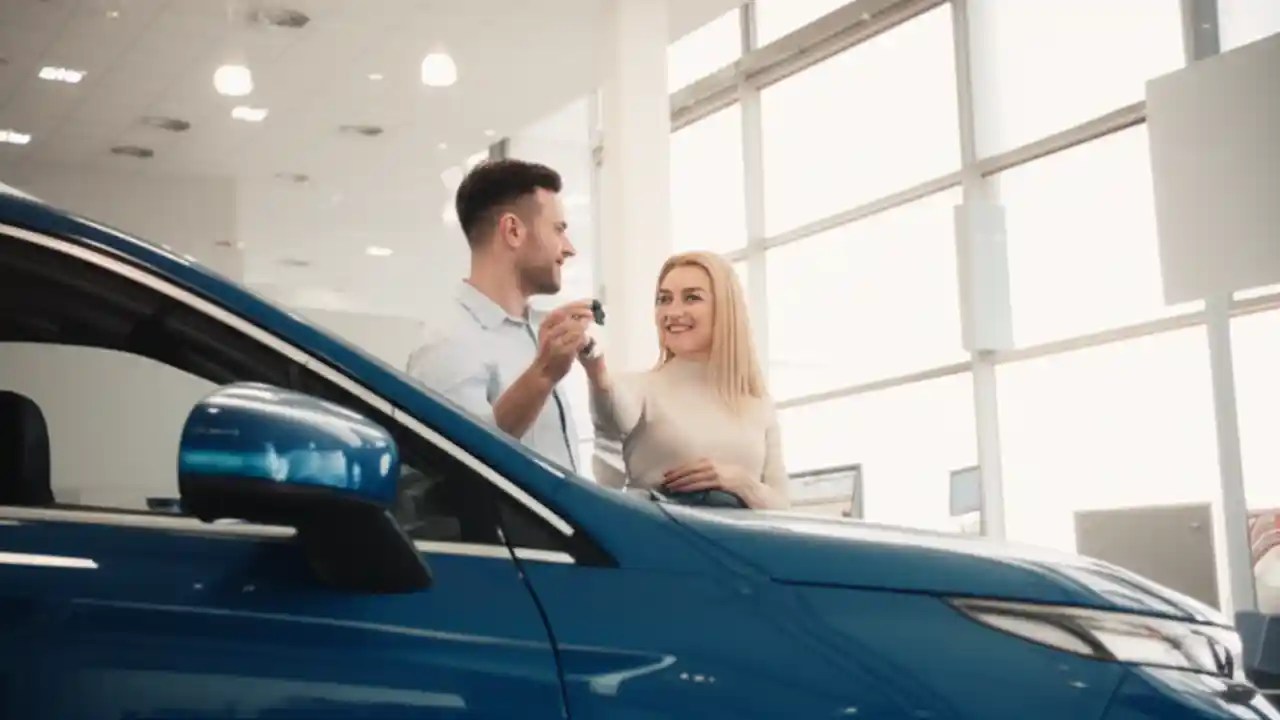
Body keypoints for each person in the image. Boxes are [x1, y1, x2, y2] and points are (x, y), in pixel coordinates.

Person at [407, 159, 594, 473]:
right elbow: (457, 468)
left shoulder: (535, 332)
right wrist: (542, 376)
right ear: (513, 230)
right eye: (558, 230)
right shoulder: (447, 342)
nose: (569, 248)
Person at [582, 251, 791, 510]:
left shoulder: (758, 403)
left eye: (691, 298)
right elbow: (609, 406)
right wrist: (594, 366)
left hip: (742, 548)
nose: (673, 312)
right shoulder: (638, 388)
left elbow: (783, 509)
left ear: (726, 309)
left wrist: (739, 482)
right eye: (664, 299)